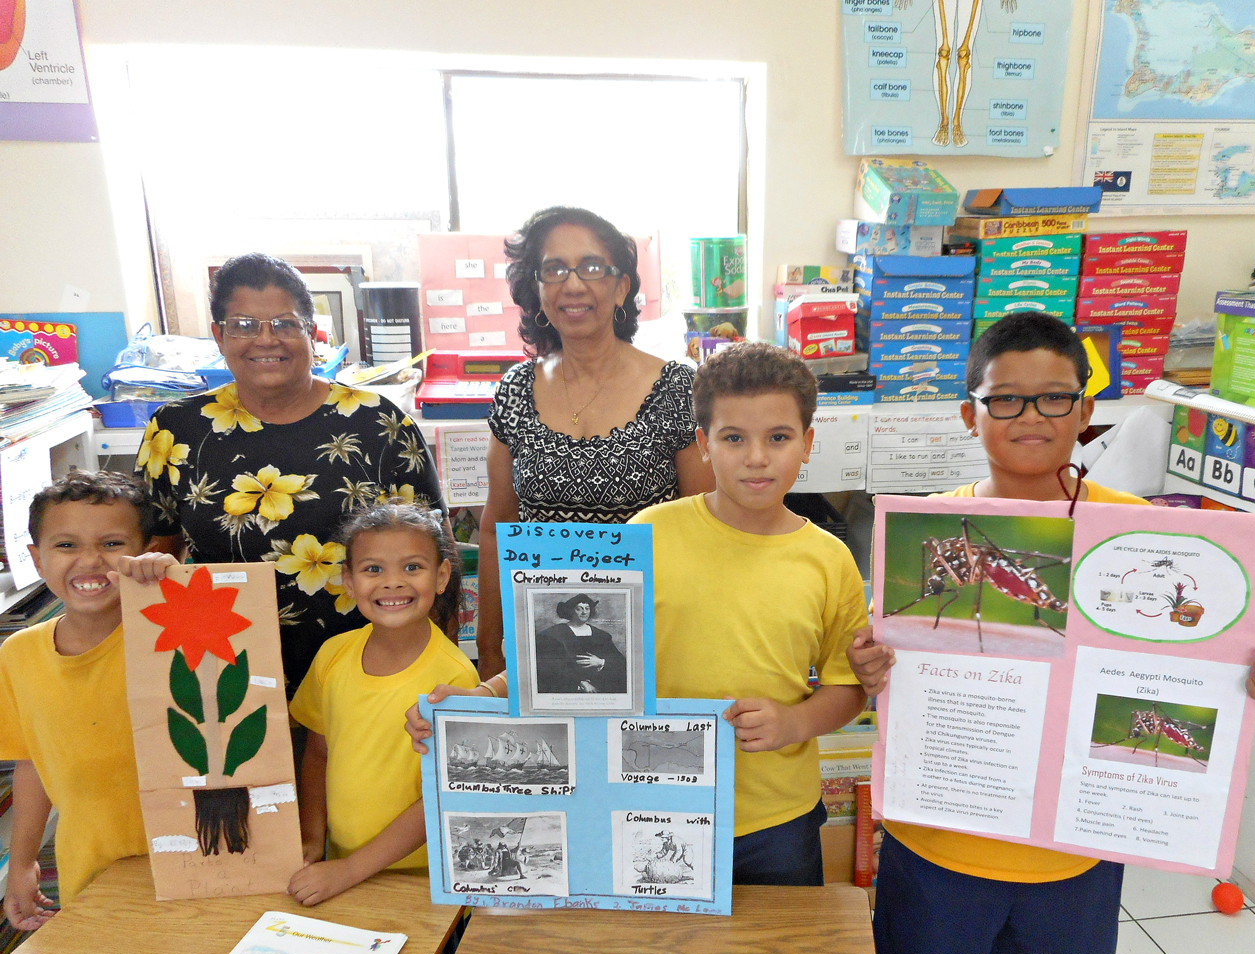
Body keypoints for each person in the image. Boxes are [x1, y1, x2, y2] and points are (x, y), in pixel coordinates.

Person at [846, 312, 1255, 954]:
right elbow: (892, 663)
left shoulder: (1149, 537)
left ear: (1086, 413)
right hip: (938, 843)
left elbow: (1201, 662)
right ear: (972, 413)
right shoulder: (926, 531)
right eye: (1006, 399)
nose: (1031, 416)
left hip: (1073, 850)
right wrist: (871, 666)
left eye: (1054, 397)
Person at [407, 343, 870, 885]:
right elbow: (565, 657)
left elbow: (847, 687)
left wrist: (796, 721)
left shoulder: (830, 560)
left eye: (779, 438)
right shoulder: (647, 533)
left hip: (775, 821)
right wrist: (480, 700)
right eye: (733, 438)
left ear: (808, 442)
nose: (757, 458)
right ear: (703, 444)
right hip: (648, 806)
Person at [140, 252, 445, 696]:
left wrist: (436, 674)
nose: (267, 340)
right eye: (244, 324)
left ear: (312, 334)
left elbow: (437, 554)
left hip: (369, 670)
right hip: (227, 672)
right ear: (219, 336)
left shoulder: (377, 423)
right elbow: (156, 554)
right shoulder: (176, 430)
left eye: (285, 323)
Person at [477, 206, 714, 680]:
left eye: (591, 267)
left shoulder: (675, 389)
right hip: (545, 643)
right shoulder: (515, 389)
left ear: (622, 286)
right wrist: (489, 645)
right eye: (554, 269)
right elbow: (496, 527)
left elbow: (705, 531)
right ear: (537, 288)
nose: (573, 284)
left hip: (652, 640)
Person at [0, 471, 178, 927]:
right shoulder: (18, 655)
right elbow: (31, 762)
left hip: (196, 861)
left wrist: (173, 586)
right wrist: (21, 864)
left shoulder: (173, 633)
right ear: (36, 560)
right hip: (91, 871)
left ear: (146, 553)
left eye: (113, 544)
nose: (90, 561)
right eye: (66, 546)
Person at [288, 500, 479, 905]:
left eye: (412, 567)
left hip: (420, 881)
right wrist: (311, 839)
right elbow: (317, 754)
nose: (392, 582)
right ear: (349, 581)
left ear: (442, 576)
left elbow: (444, 793)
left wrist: (350, 869)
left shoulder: (456, 681)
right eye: (373, 569)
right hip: (338, 873)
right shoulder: (332, 656)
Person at [533, 593, 627, 694]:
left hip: (601, 686)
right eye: (579, 609)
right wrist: (579, 682)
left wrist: (600, 662)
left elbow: (621, 662)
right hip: (568, 687)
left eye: (587, 608)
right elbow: (548, 666)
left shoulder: (601, 636)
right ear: (571, 611)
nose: (584, 612)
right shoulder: (554, 634)